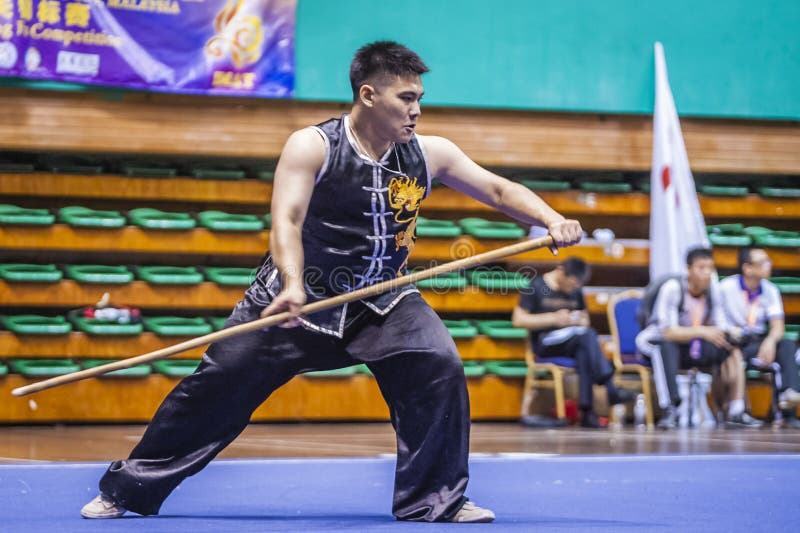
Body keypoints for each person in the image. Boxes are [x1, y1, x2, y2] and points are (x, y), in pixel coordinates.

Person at [80, 41, 582, 523]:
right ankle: (128, 489)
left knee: (437, 364)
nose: (417, 111)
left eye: (419, 99)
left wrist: (550, 218)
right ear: (368, 95)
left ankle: (436, 500)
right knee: (216, 389)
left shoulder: (432, 153)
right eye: (406, 98)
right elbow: (287, 220)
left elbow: (498, 189)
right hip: (294, 299)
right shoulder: (312, 145)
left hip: (384, 298)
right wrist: (293, 283)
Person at [636, 247, 761, 429]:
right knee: (665, 347)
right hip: (656, 342)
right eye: (701, 267)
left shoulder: (713, 291)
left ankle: (736, 410)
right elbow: (667, 332)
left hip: (691, 345)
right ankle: (670, 409)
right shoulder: (673, 288)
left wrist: (732, 333)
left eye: (710, 268)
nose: (707, 273)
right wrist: (702, 331)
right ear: (689, 269)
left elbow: (719, 325)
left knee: (730, 347)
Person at [512, 258, 634, 428]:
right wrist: (554, 318)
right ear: (561, 272)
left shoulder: (576, 290)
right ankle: (610, 388)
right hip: (545, 343)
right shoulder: (537, 286)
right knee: (587, 338)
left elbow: (586, 320)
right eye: (571, 284)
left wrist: (574, 320)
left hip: (573, 339)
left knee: (585, 348)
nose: (573, 289)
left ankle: (586, 413)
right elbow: (518, 319)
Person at [718, 247, 800, 427]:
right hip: (734, 340)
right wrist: (733, 333)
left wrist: (770, 341)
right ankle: (737, 410)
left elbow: (778, 325)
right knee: (734, 350)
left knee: (786, 345)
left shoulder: (770, 290)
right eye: (763, 262)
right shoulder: (726, 287)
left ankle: (790, 396)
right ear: (747, 268)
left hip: (758, 340)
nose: (769, 265)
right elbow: (718, 321)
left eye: (769, 261)